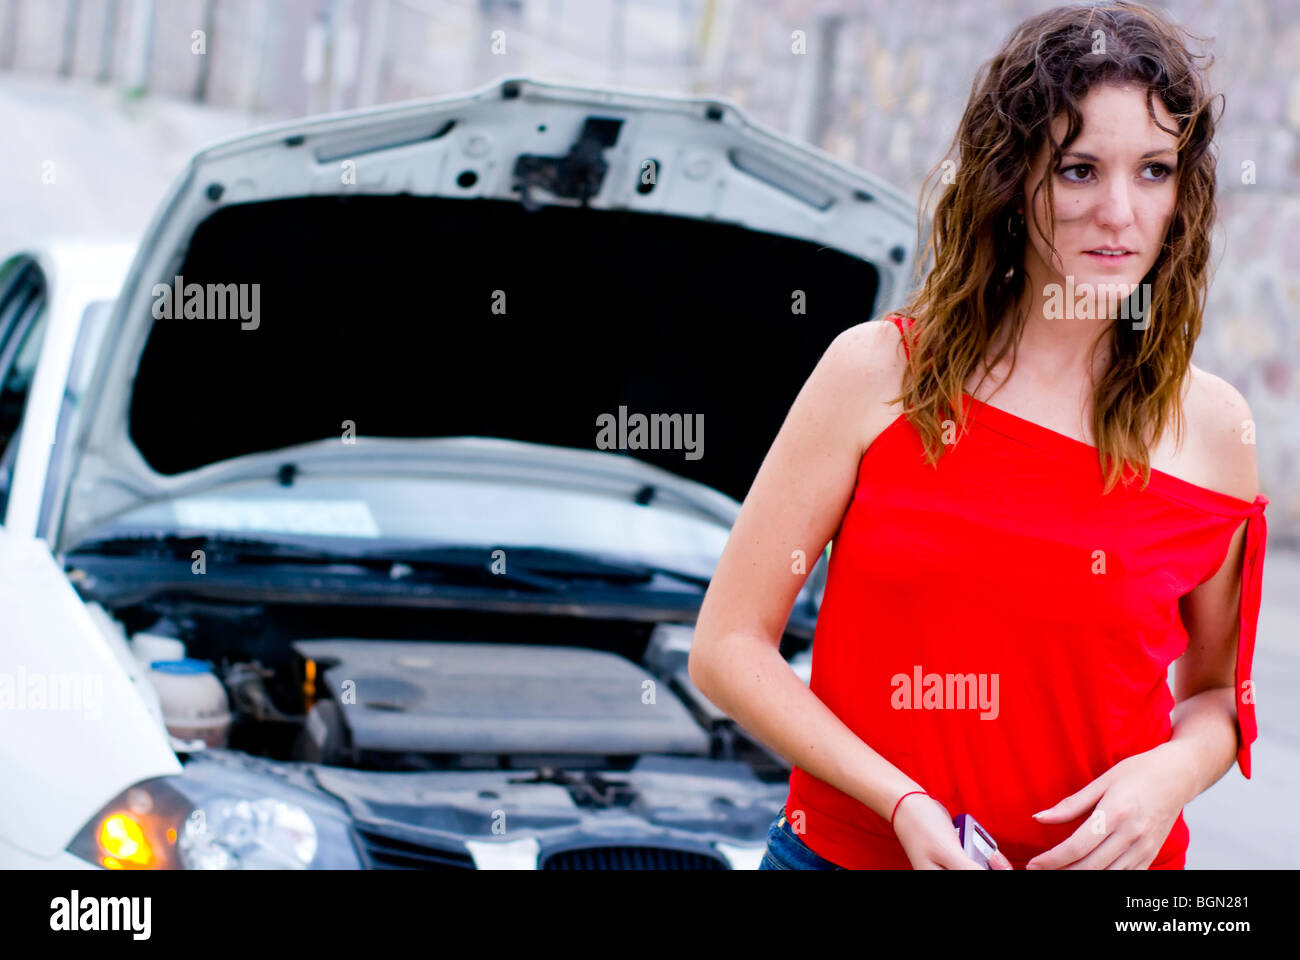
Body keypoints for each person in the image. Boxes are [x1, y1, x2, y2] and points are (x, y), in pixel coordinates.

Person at [689, 0, 1269, 870]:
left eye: (1154, 170)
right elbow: (728, 647)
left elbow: (1219, 694)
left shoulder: (1214, 426)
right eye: (1079, 170)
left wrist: (1167, 780)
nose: (1120, 210)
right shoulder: (876, 375)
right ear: (1011, 178)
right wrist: (902, 803)